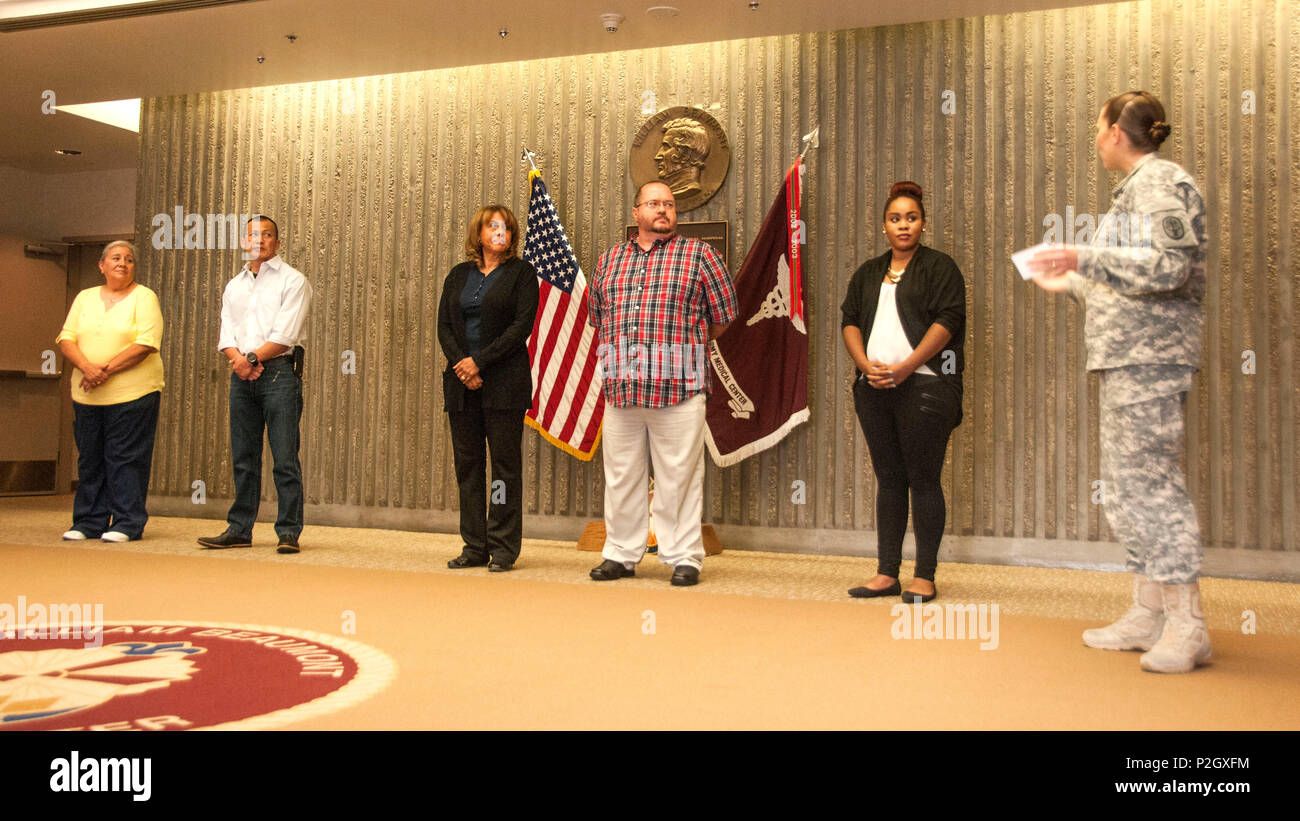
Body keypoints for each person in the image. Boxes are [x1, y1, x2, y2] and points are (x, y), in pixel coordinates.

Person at [1028, 91, 1210, 674]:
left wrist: (1082, 258)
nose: (1093, 134)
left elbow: (1171, 267)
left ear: (1115, 132)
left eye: (1096, 124)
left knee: (1153, 486)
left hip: (1152, 361)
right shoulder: (1129, 195)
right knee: (1129, 487)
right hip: (1125, 359)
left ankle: (1188, 624)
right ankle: (1148, 611)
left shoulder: (1161, 184)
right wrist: (1071, 281)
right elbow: (1122, 280)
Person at [586, 181, 737, 586]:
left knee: (680, 477)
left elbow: (723, 316)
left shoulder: (700, 255)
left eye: (669, 204)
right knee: (621, 476)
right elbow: (598, 319)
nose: (663, 210)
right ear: (636, 213)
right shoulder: (609, 260)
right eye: (654, 204)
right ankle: (620, 554)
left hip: (680, 389)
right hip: (621, 388)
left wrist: (684, 347)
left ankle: (683, 557)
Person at [841, 181, 966, 603]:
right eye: (895, 218)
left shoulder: (940, 267)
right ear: (884, 226)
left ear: (923, 224)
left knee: (923, 480)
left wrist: (906, 368)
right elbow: (850, 320)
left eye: (911, 218)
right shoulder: (868, 272)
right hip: (873, 389)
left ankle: (924, 576)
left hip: (926, 388)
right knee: (889, 480)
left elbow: (948, 321)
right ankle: (886, 573)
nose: (904, 225)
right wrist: (864, 366)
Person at [198, 216, 312, 554]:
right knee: (243, 456)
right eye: (252, 235)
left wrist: (248, 361)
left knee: (284, 457)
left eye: (266, 235)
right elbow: (226, 334)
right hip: (241, 375)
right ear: (243, 241)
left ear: (278, 243)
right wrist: (239, 361)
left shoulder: (293, 281)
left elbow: (285, 335)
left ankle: (288, 531)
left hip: (278, 374)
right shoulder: (234, 285)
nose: (258, 240)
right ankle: (239, 529)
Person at [437, 205, 539, 572]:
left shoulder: (522, 274)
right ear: (478, 234)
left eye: (508, 228)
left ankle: (503, 547)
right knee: (468, 466)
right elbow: (444, 327)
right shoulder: (458, 274)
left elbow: (520, 327)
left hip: (504, 384)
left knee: (503, 469)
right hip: (461, 385)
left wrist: (479, 362)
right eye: (493, 226)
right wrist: (463, 366)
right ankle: (474, 546)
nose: (501, 232)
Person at [56, 240, 164, 543]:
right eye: (115, 258)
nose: (122, 263)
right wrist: (87, 369)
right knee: (91, 458)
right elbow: (66, 338)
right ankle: (89, 521)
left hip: (134, 394)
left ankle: (128, 522)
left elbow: (145, 344)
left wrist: (101, 371)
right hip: (87, 394)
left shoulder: (145, 297)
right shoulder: (84, 297)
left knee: (125, 458)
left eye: (129, 259)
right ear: (101, 266)